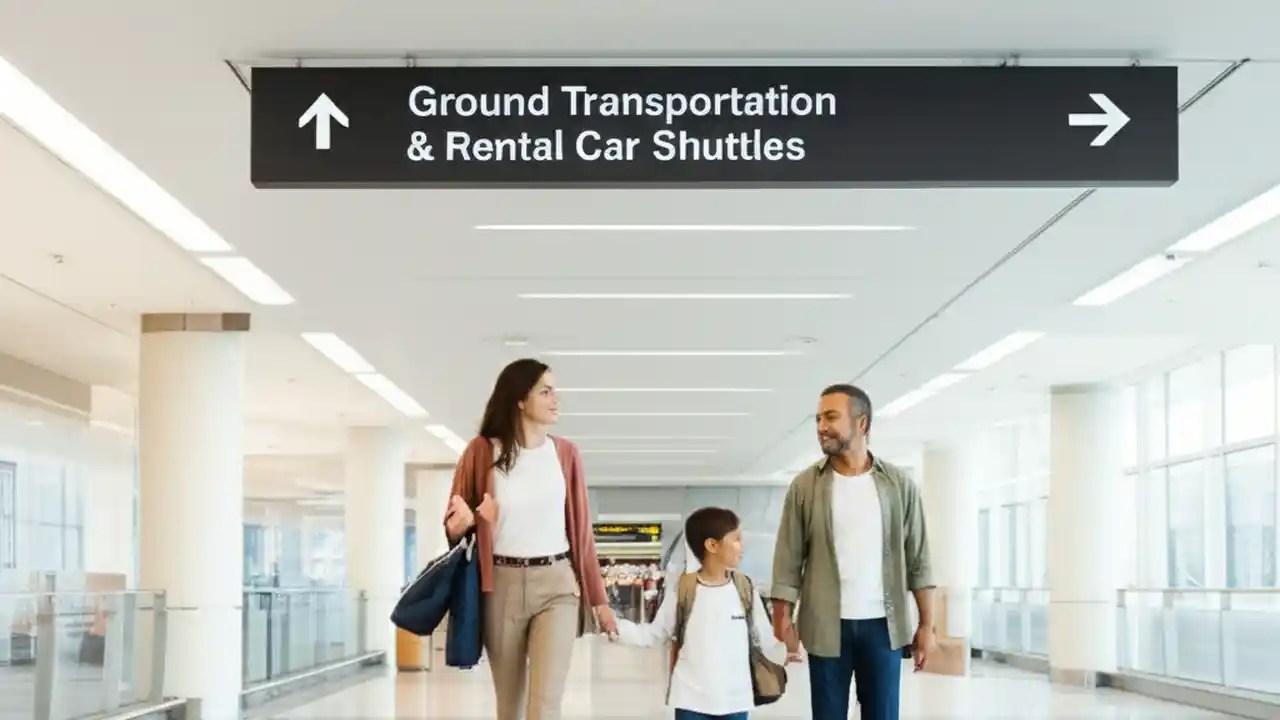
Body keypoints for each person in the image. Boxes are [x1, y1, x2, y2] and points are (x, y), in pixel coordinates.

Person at [444, 358, 619, 720]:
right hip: (500, 586)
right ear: (520, 400)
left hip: (557, 585)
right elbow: (454, 527)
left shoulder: (565, 454)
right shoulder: (481, 452)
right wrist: (464, 524)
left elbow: (582, 534)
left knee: (545, 705)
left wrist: (599, 600)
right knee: (509, 706)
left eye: (554, 391)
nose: (556, 399)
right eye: (545, 391)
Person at [770, 384, 936, 720]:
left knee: (883, 714)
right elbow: (788, 556)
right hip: (825, 625)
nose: (821, 426)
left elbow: (919, 559)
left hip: (884, 628)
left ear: (862, 423)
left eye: (831, 417)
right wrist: (781, 616)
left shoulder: (899, 485)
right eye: (818, 419)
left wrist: (927, 625)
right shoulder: (805, 486)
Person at [611, 507, 797, 720]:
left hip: (735, 701)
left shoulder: (744, 588)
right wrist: (615, 628)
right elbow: (655, 634)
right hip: (691, 701)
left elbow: (763, 638)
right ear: (712, 545)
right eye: (736, 539)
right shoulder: (683, 589)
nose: (742, 546)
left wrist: (789, 643)